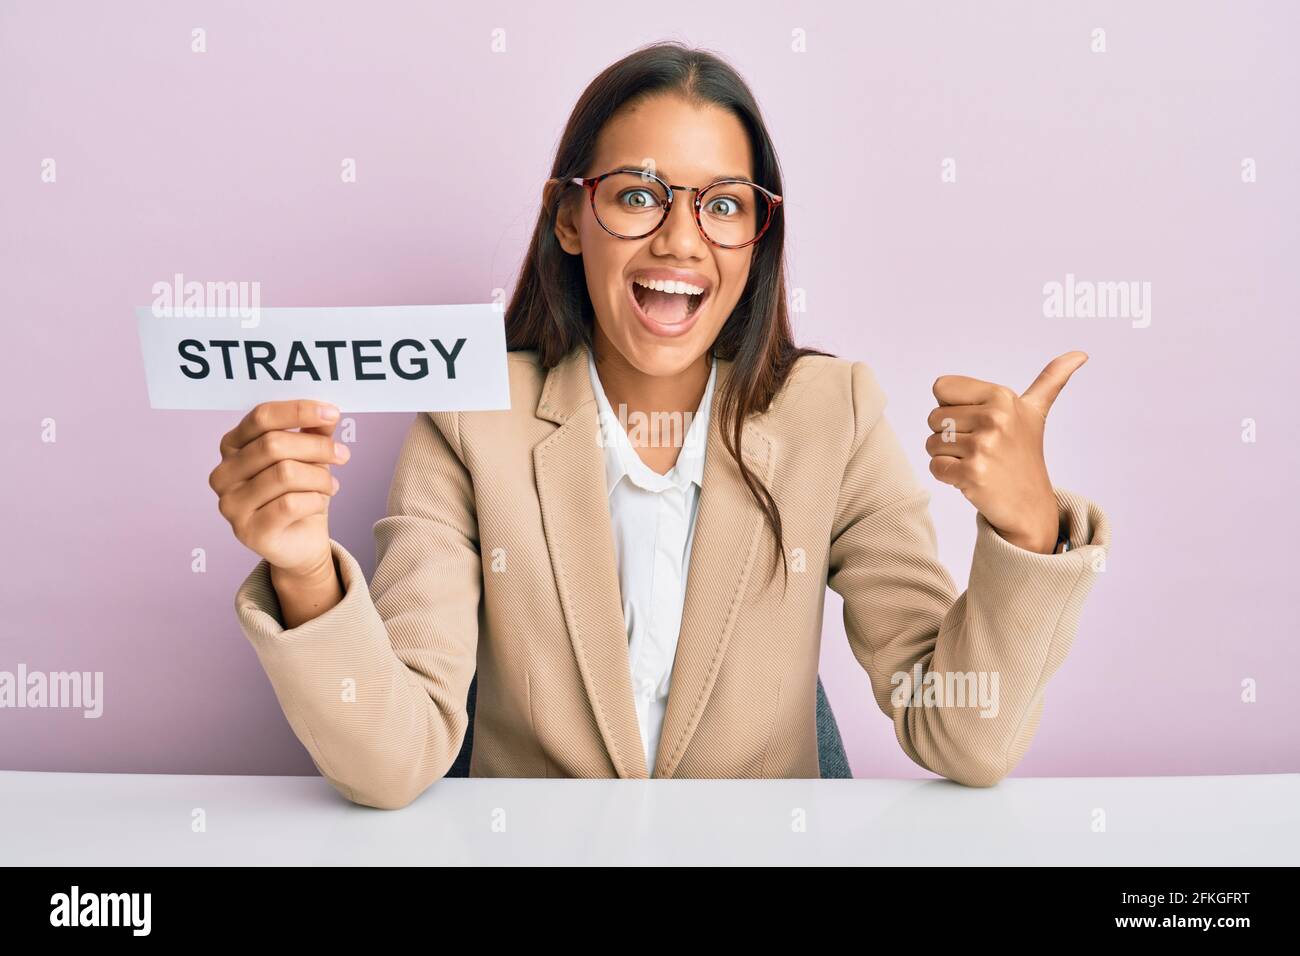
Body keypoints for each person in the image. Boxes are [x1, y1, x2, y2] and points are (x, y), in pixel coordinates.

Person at [210, 42, 1111, 810]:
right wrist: (301, 573)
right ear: (571, 217)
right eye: (639, 195)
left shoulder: (830, 416)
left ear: (757, 237)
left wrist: (1025, 527)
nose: (682, 240)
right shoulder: (469, 419)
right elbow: (394, 759)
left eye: (723, 206)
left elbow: (964, 737)